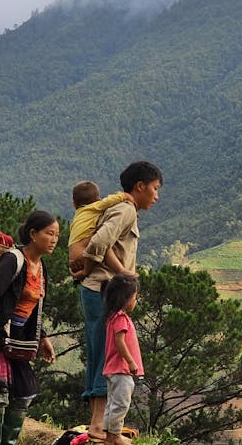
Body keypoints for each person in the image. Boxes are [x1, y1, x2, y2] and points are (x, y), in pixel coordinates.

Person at [79, 161, 162, 441]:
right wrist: (124, 272)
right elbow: (98, 243)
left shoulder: (125, 209)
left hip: (96, 291)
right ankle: (98, 425)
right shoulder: (126, 210)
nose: (156, 195)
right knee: (108, 357)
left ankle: (98, 423)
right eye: (154, 188)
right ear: (139, 186)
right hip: (102, 292)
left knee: (100, 354)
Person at [0, 210, 59, 445]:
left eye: (57, 235)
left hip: (18, 339)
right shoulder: (13, 260)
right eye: (49, 233)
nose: (54, 239)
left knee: (23, 393)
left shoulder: (41, 266)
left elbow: (35, 306)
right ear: (32, 234)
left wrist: (43, 337)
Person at [101, 274, 143, 445]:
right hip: (121, 369)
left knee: (112, 403)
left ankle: (109, 436)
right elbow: (120, 342)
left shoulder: (112, 317)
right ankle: (115, 435)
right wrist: (131, 361)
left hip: (114, 370)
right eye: (134, 297)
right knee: (121, 403)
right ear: (125, 299)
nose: (136, 301)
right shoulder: (120, 318)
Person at [68, 180, 132, 281]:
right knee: (104, 245)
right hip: (83, 253)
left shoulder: (78, 215)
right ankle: (121, 270)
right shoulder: (93, 208)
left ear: (74, 204)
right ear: (98, 199)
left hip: (73, 256)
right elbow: (109, 201)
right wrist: (125, 196)